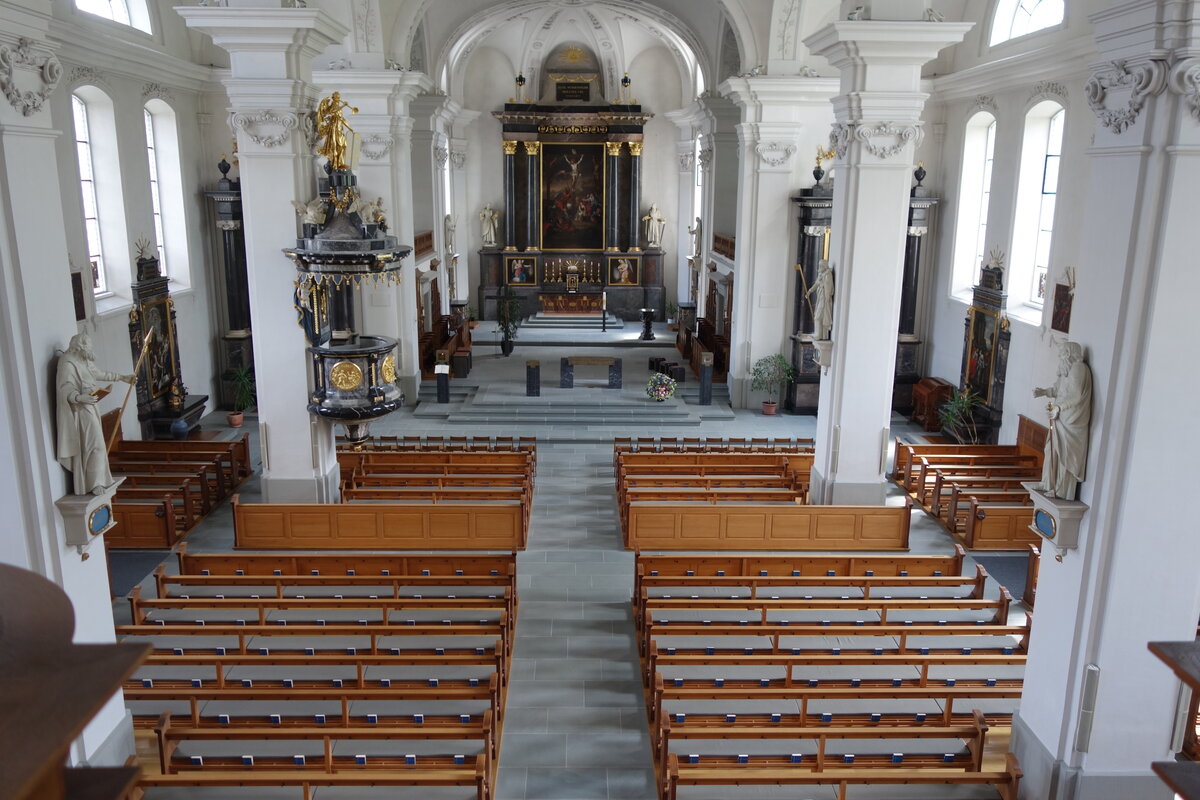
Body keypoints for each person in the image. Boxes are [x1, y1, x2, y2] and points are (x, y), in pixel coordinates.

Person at [55, 333, 135, 495]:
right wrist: (78, 397)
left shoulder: (83, 360)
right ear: (81, 347)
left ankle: (98, 479)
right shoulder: (68, 364)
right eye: (89, 346)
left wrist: (122, 378)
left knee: (96, 445)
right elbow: (64, 388)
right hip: (81, 409)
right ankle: (93, 483)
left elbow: (98, 373)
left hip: (91, 405)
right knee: (94, 445)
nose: (92, 350)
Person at [1032, 340, 1092, 500]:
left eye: (1061, 353)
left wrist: (1059, 407)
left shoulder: (1078, 369)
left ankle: (1060, 489)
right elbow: (1058, 389)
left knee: (1064, 453)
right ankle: (1047, 483)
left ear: (1069, 354)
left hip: (1071, 421)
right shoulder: (1067, 369)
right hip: (1059, 418)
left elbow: (1075, 395)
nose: (1059, 357)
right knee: (1049, 449)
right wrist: (1045, 391)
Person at [314, 91, 357, 171]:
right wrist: (343, 106)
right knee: (335, 146)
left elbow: (342, 119)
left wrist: (351, 129)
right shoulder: (333, 106)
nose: (338, 99)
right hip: (334, 130)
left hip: (340, 129)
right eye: (337, 97)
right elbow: (332, 112)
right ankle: (335, 164)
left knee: (343, 146)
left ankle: (340, 163)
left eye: (339, 97)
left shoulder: (338, 108)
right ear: (333, 98)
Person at [807, 259, 834, 340]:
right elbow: (816, 284)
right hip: (820, 297)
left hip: (824, 299)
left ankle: (819, 335)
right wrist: (809, 291)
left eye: (821, 266)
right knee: (817, 315)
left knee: (818, 316)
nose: (819, 267)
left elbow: (828, 289)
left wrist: (826, 299)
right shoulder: (821, 275)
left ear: (824, 266)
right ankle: (819, 334)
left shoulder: (827, 275)